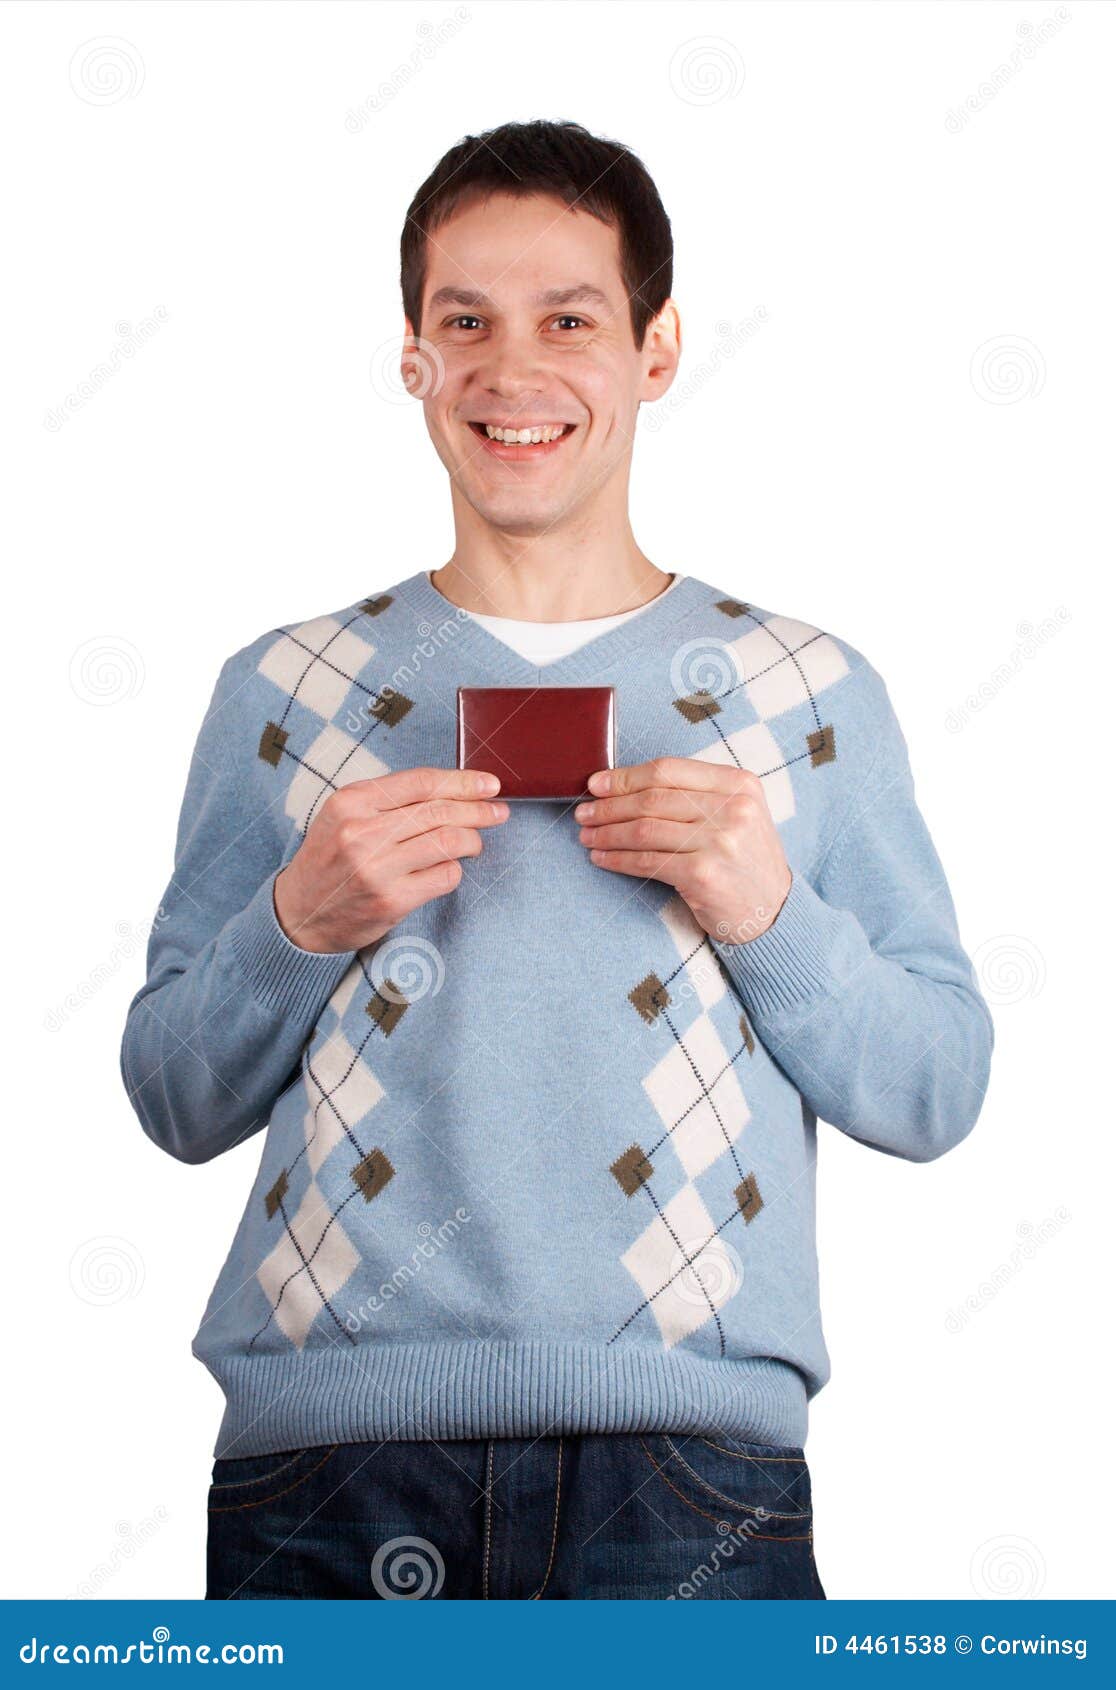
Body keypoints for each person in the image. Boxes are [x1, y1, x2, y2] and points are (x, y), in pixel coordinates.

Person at [120, 119, 994, 1601]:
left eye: (568, 320)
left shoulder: (805, 691)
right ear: (412, 358)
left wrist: (769, 911)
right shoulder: (285, 688)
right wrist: (295, 920)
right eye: (465, 322)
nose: (511, 372)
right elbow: (171, 1092)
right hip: (326, 1462)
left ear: (657, 350)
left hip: (694, 1469)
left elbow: (936, 1085)